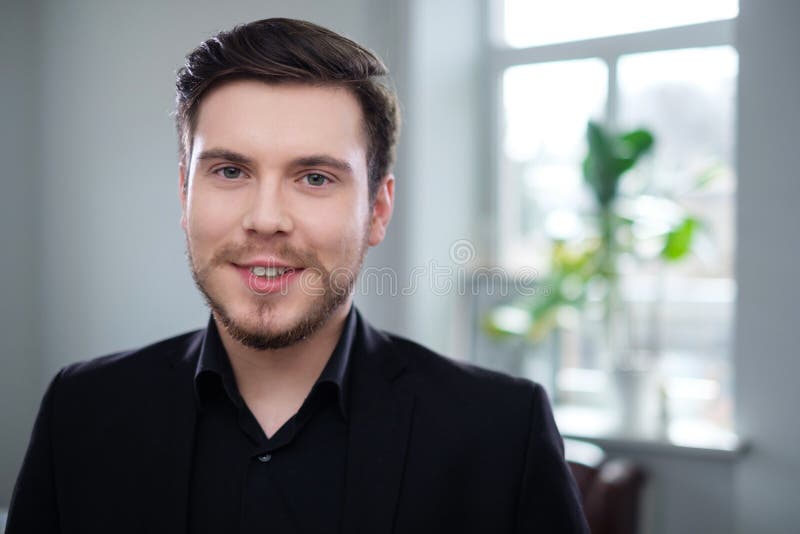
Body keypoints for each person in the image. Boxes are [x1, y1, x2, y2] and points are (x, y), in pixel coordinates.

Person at [7, 18, 588, 533]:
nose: (265, 220)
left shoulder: (501, 434)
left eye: (314, 178)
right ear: (184, 191)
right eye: (231, 170)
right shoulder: (80, 412)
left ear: (378, 210)